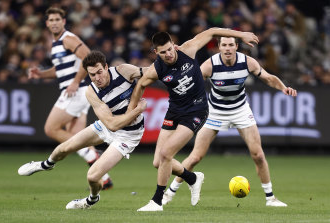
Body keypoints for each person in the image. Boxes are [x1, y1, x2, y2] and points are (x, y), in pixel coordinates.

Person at [128, 29, 259, 212]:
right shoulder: (156, 69)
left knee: (166, 154)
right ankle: (192, 178)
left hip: (197, 109)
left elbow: (213, 31)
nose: (168, 54)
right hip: (174, 111)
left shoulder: (188, 49)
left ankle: (157, 202)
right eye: (163, 52)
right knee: (158, 162)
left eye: (169, 49)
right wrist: (131, 112)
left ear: (173, 45)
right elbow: (140, 84)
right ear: (156, 53)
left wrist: (240, 36)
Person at [162, 37, 297, 207]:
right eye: (224, 45)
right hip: (215, 112)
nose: (227, 48)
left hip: (240, 110)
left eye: (230, 45)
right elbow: (189, 81)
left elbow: (268, 78)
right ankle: (169, 193)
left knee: (258, 155)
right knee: (195, 157)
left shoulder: (247, 62)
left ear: (236, 47)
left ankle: (270, 198)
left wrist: (284, 88)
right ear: (218, 47)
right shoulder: (209, 65)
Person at [18, 50, 147, 209]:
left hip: (128, 136)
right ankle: (46, 164)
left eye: (100, 72)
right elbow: (112, 125)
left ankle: (91, 200)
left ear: (106, 67)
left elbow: (150, 73)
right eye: (92, 75)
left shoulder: (123, 71)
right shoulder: (91, 91)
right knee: (64, 148)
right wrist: (137, 110)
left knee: (92, 177)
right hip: (108, 126)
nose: (97, 78)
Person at [27, 7, 112, 189]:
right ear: (47, 23)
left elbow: (89, 58)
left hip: (76, 91)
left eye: (58, 19)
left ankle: (93, 157)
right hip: (77, 91)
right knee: (76, 137)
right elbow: (59, 70)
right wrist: (40, 75)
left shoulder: (68, 38)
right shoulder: (56, 43)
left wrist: (75, 81)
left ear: (64, 22)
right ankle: (103, 176)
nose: (55, 22)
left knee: (51, 129)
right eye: (51, 20)